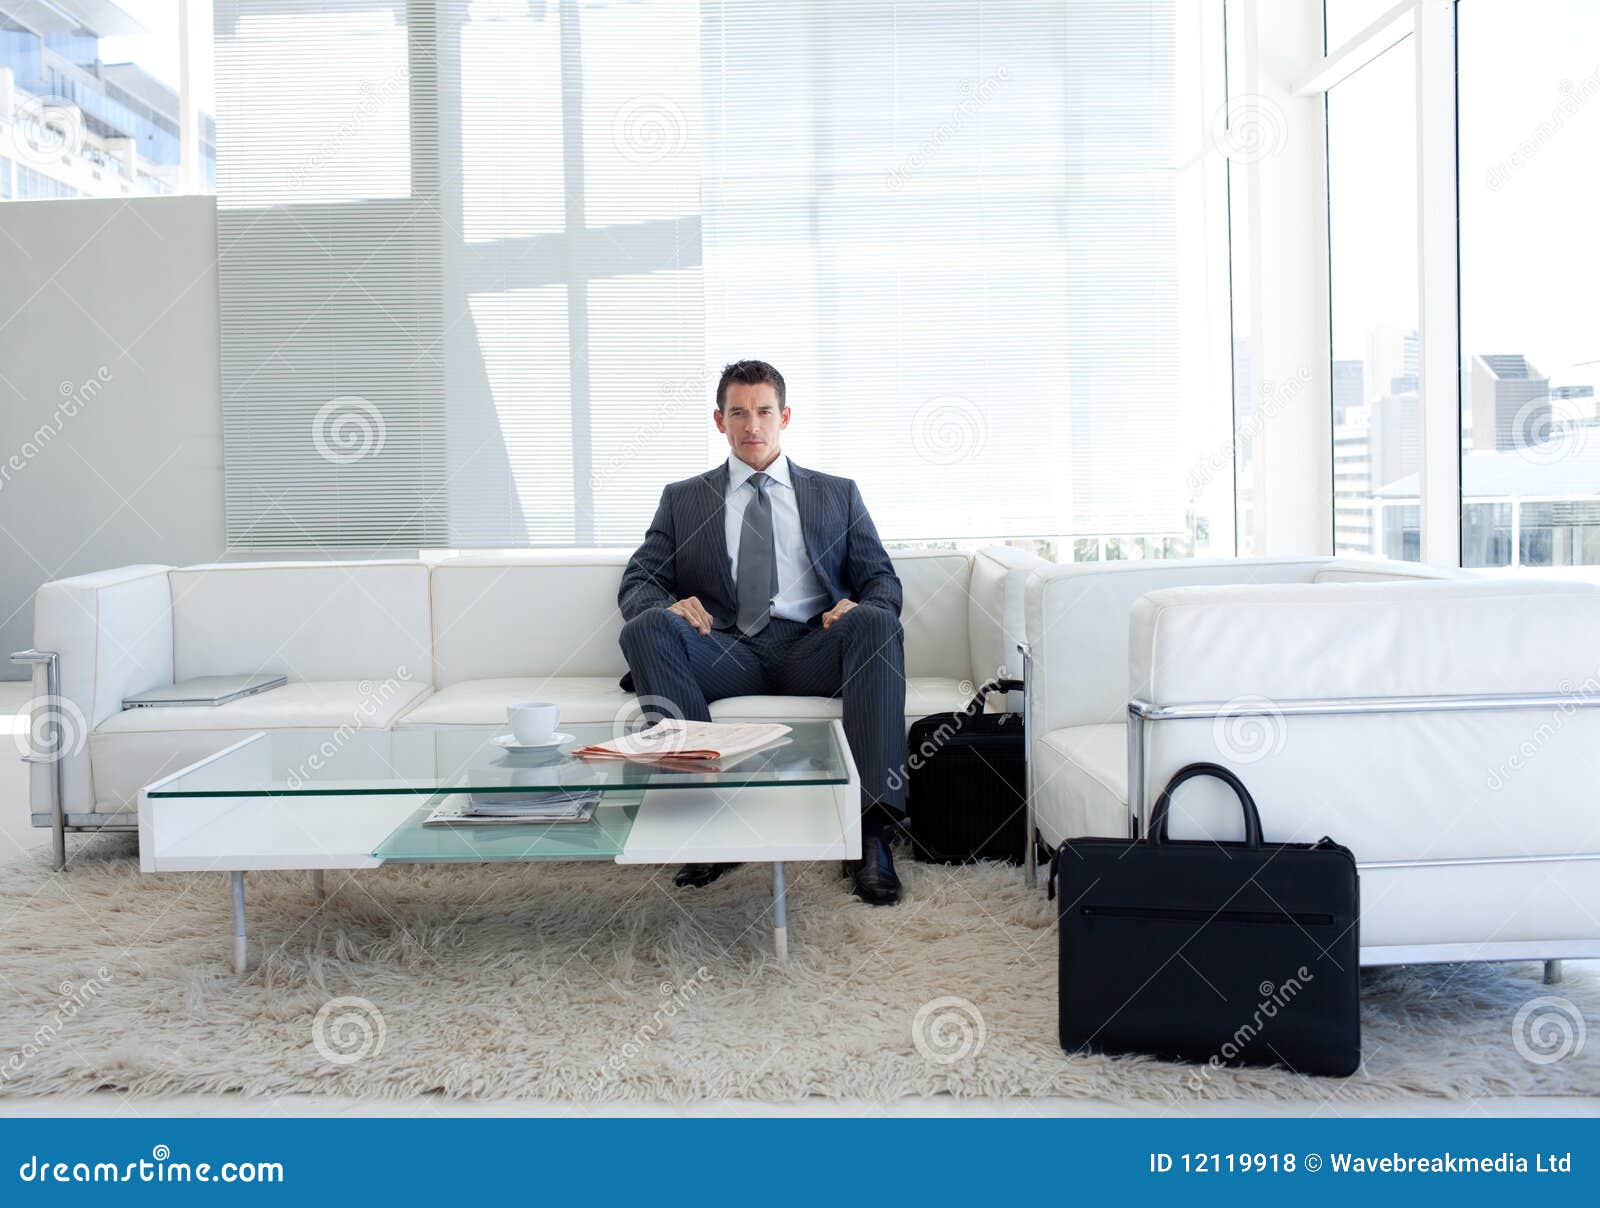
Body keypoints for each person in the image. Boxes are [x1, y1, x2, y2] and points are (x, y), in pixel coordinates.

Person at [617, 359, 908, 905]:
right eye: (738, 413)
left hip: (811, 648)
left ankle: (870, 831)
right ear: (719, 421)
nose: (752, 425)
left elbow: (882, 580)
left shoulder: (837, 493)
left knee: (876, 620)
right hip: (727, 651)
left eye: (764, 411)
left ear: (785, 416)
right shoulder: (683, 499)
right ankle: (706, 820)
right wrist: (670, 604)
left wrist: (857, 605)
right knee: (648, 626)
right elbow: (640, 581)